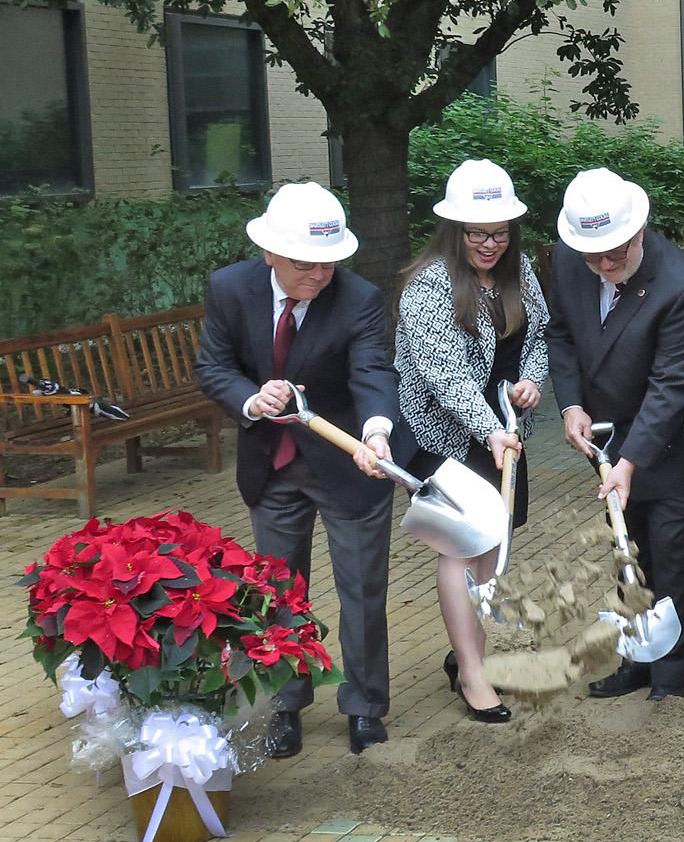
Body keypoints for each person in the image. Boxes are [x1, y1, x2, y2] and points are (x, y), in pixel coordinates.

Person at [195, 182, 397, 757]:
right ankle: (287, 706)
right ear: (270, 254)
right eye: (306, 264)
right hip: (271, 465)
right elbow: (214, 367)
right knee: (279, 595)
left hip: (348, 463)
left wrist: (376, 431)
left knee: (361, 591)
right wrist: (251, 401)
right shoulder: (230, 290)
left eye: (329, 263)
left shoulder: (357, 298)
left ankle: (364, 706)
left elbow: (373, 371)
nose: (319, 274)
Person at [545, 167, 684, 701]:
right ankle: (636, 659)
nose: (606, 264)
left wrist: (631, 462)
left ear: (639, 231)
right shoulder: (571, 259)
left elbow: (672, 384)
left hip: (666, 444)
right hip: (608, 442)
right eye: (595, 256)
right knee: (628, 552)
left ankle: (671, 675)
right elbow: (563, 335)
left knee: (673, 555)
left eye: (617, 253)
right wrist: (570, 404)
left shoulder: (680, 284)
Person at [395, 159, 548, 724]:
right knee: (462, 548)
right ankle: (472, 673)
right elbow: (444, 373)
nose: (489, 244)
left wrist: (531, 382)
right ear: (454, 231)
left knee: (495, 549)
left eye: (500, 233)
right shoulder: (429, 284)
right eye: (478, 233)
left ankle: (467, 651)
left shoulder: (520, 270)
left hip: (503, 431)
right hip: (445, 438)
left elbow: (539, 335)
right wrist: (490, 429)